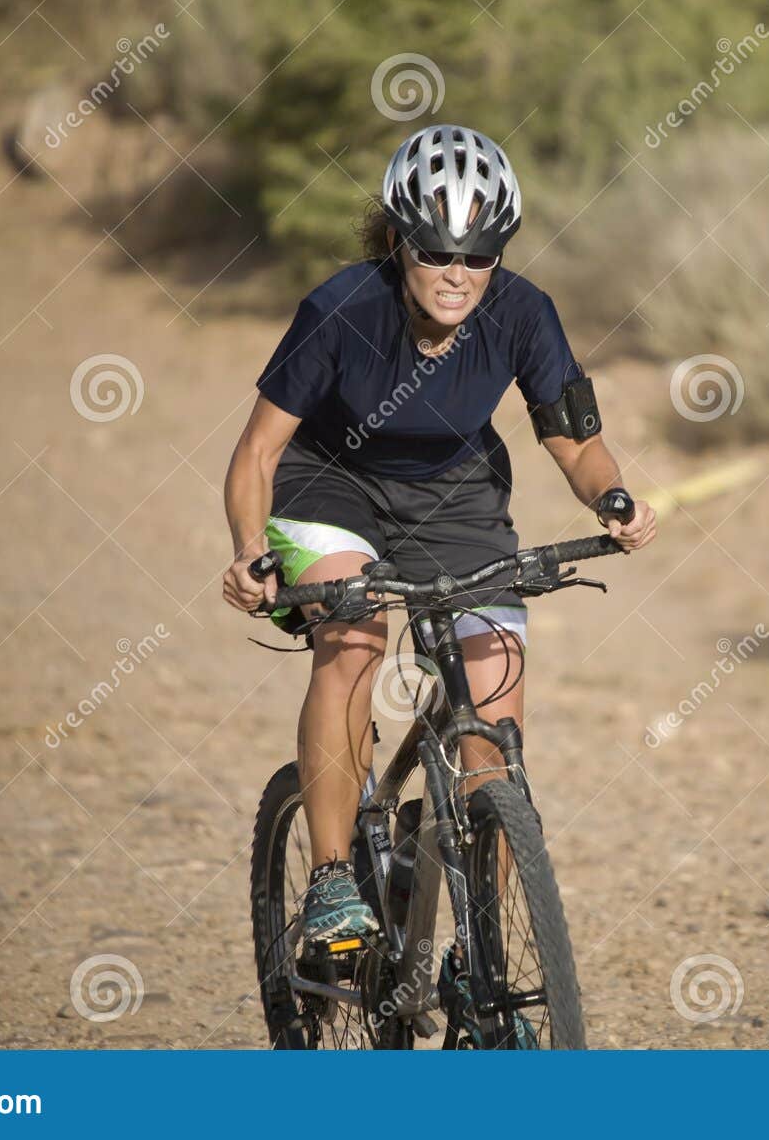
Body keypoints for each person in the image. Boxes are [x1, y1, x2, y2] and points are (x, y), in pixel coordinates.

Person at [221, 123, 655, 943]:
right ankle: (332, 877)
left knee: (492, 728)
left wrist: (615, 498)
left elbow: (577, 443)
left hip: (455, 494)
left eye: (479, 256)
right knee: (353, 639)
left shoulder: (526, 314)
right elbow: (257, 451)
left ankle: (480, 950)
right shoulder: (341, 309)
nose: (458, 275)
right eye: (436, 252)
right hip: (332, 481)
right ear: (398, 241)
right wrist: (250, 548)